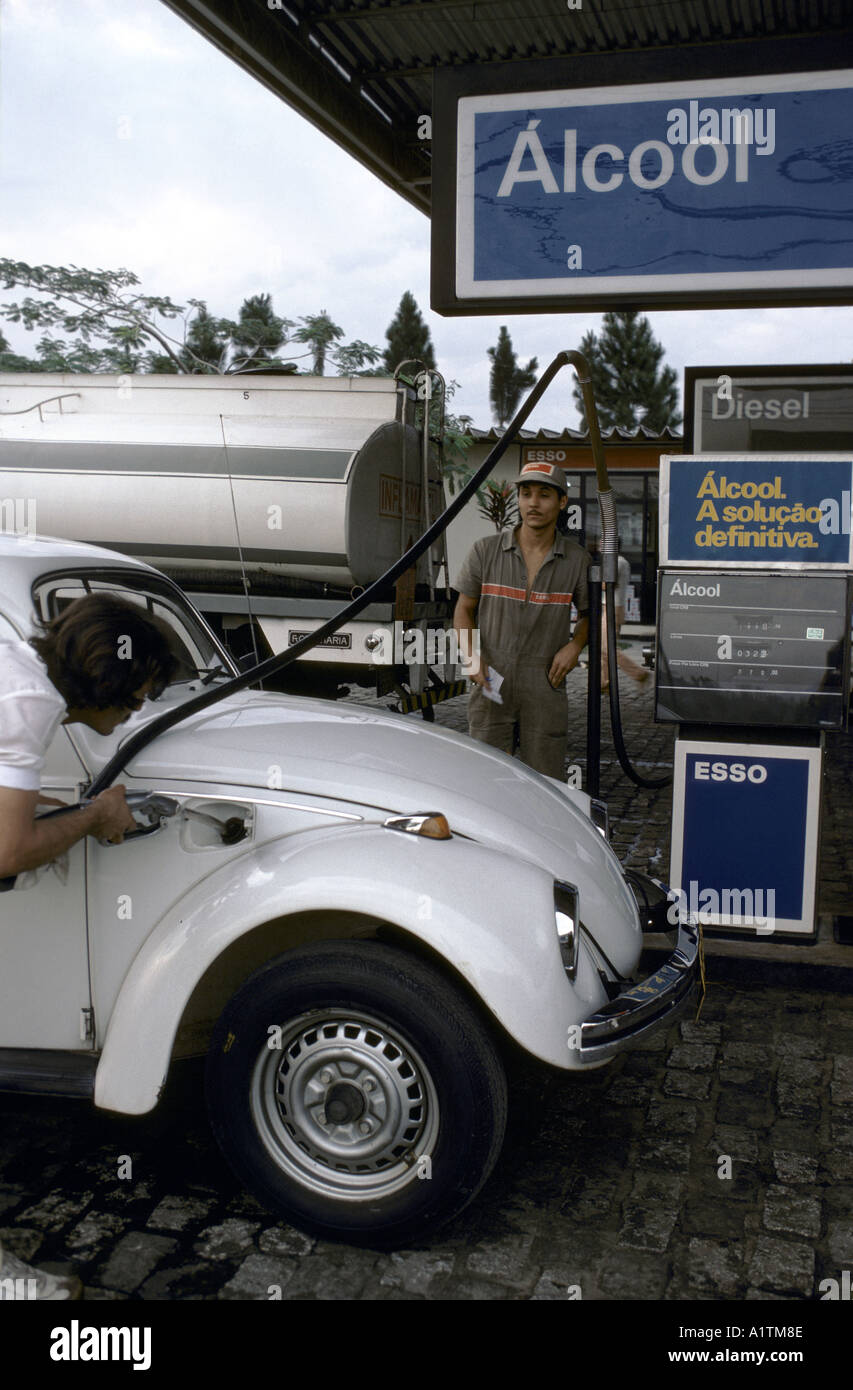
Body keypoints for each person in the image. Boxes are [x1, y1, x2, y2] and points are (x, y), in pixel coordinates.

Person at [0, 594, 176, 1300]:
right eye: (136, 699)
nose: (135, 713)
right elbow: (7, 848)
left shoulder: (13, 670)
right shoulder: (27, 705)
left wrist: (63, 814)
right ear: (104, 682)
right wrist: (96, 816)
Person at [0, 594, 176, 883]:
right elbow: (8, 854)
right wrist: (97, 816)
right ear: (110, 677)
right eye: (143, 686)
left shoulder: (15, 667)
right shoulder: (30, 700)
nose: (143, 702)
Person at [453, 461, 589, 780]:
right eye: (526, 494)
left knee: (545, 779)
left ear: (561, 502)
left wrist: (576, 645)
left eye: (544, 495)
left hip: (545, 679)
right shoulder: (485, 551)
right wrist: (472, 657)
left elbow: (588, 616)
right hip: (492, 677)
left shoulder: (576, 560)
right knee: (485, 775)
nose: (533, 503)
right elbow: (463, 609)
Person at [601, 553, 649, 691]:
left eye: (602, 543)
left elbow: (607, 584)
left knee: (606, 648)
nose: (600, 546)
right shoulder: (620, 561)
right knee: (603, 647)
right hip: (611, 607)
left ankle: (640, 674)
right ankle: (605, 683)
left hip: (612, 607)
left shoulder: (617, 562)